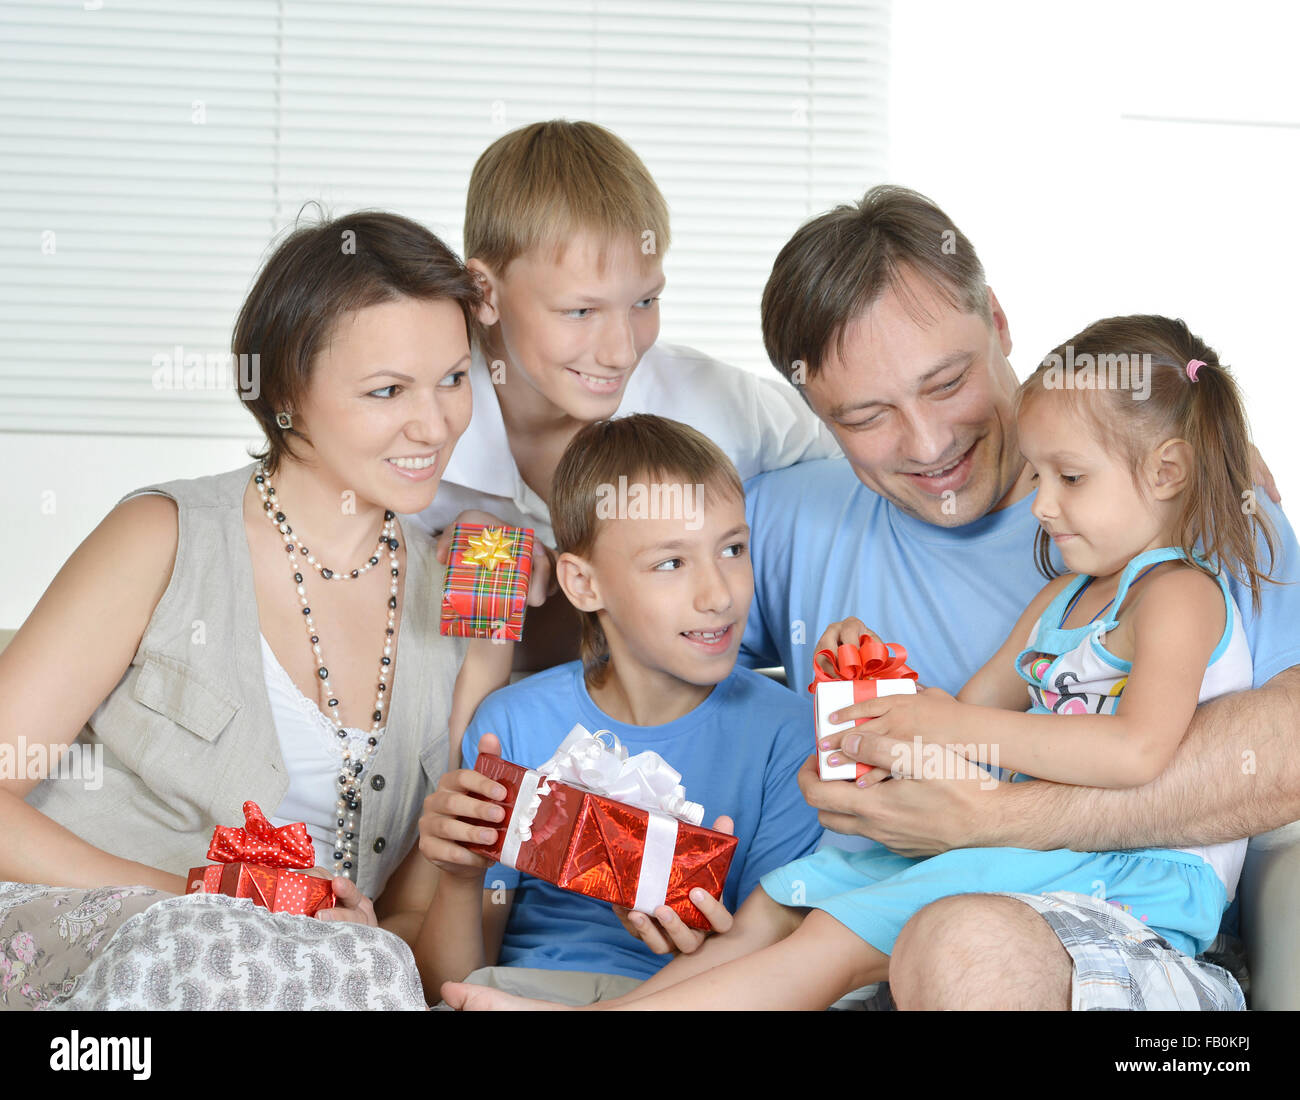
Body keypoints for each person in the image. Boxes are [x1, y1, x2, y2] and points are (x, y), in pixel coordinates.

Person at [437, 314, 1273, 1011]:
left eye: (1069, 478)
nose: (1041, 503)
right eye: (1040, 474)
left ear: (1166, 473)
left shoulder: (1177, 594)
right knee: (787, 894)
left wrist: (949, 725)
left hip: (1130, 871)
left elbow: (1138, 750)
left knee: (834, 937)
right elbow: (955, 717)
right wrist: (871, 678)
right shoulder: (1061, 600)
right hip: (1040, 851)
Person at [738, 186, 1300, 1010]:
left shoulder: (1195, 515)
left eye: (948, 381)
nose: (929, 444)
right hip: (871, 931)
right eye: (865, 416)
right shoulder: (779, 519)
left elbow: (1286, 750)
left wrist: (997, 815)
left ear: (998, 322)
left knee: (962, 946)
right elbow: (632, 670)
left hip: (1111, 947)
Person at [0, 211, 485, 1010]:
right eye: (386, 390)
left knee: (370, 969)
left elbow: (401, 922)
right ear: (285, 393)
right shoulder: (164, 537)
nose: (434, 425)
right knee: (204, 947)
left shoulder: (452, 598)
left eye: (454, 379)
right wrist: (201, 897)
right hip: (100, 948)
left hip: (307, 981)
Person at [416, 415, 824, 1005]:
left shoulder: (790, 737)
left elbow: (775, 957)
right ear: (583, 585)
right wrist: (460, 877)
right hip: (517, 991)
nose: (720, 594)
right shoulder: (509, 726)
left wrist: (703, 939)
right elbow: (447, 986)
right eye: (670, 563)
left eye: (733, 549)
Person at [404, 120, 840, 672]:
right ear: (485, 293)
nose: (619, 352)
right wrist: (453, 567)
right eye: (580, 311)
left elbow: (863, 447)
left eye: (644, 302)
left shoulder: (710, 400)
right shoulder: (412, 427)